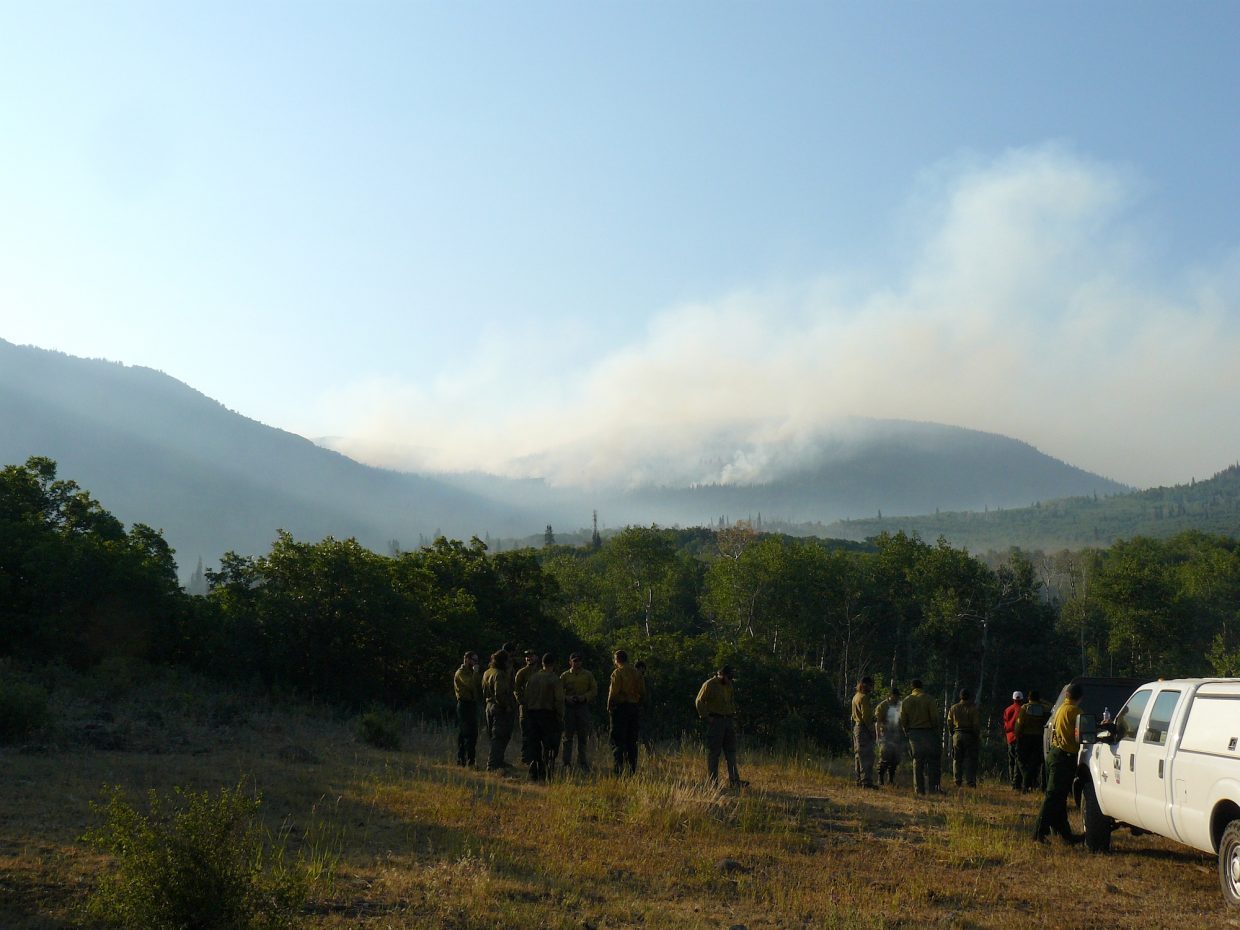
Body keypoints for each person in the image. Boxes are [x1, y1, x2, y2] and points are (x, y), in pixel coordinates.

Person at [1034, 681, 1084, 845]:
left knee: (1059, 798)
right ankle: (1038, 833)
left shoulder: (1060, 708)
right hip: (1064, 757)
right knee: (1053, 796)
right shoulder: (1076, 712)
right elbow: (1082, 734)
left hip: (1054, 754)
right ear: (1080, 698)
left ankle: (1065, 835)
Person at [695, 665, 745, 788]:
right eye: (729, 677)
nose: (731, 680)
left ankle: (735, 781)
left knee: (731, 752)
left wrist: (733, 717)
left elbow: (731, 701)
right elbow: (699, 701)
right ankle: (713, 783)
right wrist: (706, 717)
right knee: (714, 753)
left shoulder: (729, 685)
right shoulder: (709, 684)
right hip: (716, 721)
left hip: (728, 721)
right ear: (722, 674)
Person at [523, 653, 566, 781]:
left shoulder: (532, 678)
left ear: (542, 663)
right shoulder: (554, 679)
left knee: (534, 744)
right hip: (548, 715)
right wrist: (560, 715)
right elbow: (559, 700)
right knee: (550, 746)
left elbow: (526, 696)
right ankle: (547, 773)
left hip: (532, 714)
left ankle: (534, 771)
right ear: (553, 664)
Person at [899, 679, 944, 795]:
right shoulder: (929, 699)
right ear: (922, 686)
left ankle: (919, 789)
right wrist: (935, 730)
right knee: (933, 761)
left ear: (912, 687)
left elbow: (903, 719)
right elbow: (934, 717)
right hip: (928, 732)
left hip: (914, 733)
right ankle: (934, 789)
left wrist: (907, 730)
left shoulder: (906, 700)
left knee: (917, 762)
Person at [607, 649, 645, 775]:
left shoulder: (618, 673)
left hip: (621, 709)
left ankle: (618, 770)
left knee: (618, 739)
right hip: (634, 708)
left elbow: (613, 693)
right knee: (632, 741)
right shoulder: (637, 673)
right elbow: (642, 692)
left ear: (617, 660)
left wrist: (610, 706)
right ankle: (632, 770)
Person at [560, 652, 597, 771]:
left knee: (582, 736)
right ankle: (566, 763)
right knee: (568, 736)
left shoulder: (588, 675)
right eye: (575, 661)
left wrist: (585, 697)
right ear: (570, 662)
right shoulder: (565, 676)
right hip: (569, 708)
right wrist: (566, 698)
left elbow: (594, 689)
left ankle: (582, 762)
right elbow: (558, 691)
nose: (577, 663)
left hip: (582, 707)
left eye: (579, 661)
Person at [481, 650, 515, 771]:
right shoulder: (499, 674)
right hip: (499, 708)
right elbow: (499, 694)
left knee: (493, 736)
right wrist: (507, 706)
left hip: (488, 706)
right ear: (503, 661)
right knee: (500, 736)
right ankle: (493, 764)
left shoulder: (487, 672)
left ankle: (498, 761)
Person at [1014, 689, 1052, 792]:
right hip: (1039, 738)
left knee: (1021, 759)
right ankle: (1029, 783)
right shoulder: (1044, 708)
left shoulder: (1025, 708)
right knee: (1034, 762)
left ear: (1028, 698)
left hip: (1025, 737)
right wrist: (1042, 701)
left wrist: (1017, 735)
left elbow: (1019, 724)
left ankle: (1026, 781)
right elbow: (1052, 707)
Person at [453, 651, 482, 767]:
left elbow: (478, 686)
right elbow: (470, 684)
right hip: (464, 704)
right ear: (466, 659)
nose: (475, 663)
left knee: (471, 733)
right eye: (473, 660)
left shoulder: (471, 672)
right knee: (467, 733)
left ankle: (467, 759)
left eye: (476, 660)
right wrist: (475, 672)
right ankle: (466, 760)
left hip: (472, 704)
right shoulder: (461, 673)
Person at [947, 688, 981, 788]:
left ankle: (957, 781)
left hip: (957, 734)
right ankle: (970, 782)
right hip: (969, 735)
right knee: (970, 759)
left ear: (960, 696)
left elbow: (949, 723)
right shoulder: (973, 709)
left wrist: (952, 733)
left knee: (957, 759)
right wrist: (976, 736)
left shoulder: (954, 708)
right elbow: (976, 725)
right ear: (969, 697)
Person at [514, 649, 540, 768]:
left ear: (536, 657)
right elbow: (516, 689)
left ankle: (535, 758)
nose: (528, 658)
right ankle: (525, 759)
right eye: (527, 656)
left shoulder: (541, 672)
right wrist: (522, 702)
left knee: (537, 734)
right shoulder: (521, 672)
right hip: (525, 708)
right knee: (526, 734)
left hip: (539, 708)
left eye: (531, 656)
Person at [851, 676, 877, 788]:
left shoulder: (855, 697)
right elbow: (866, 716)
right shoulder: (864, 698)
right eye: (870, 685)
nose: (871, 688)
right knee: (867, 755)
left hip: (857, 727)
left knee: (859, 755)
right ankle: (866, 782)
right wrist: (872, 730)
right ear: (865, 685)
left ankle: (859, 780)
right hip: (863, 728)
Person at [874, 686, 902, 786]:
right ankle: (880, 778)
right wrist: (878, 736)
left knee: (895, 759)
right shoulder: (882, 706)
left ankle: (890, 779)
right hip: (885, 735)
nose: (896, 698)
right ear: (890, 695)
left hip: (896, 735)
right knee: (885, 758)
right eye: (895, 696)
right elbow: (877, 722)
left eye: (897, 696)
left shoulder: (899, 705)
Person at [1003, 691, 1025, 790]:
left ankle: (1013, 781)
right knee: (1019, 761)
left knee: (1011, 761)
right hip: (1020, 737)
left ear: (1013, 699)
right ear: (1021, 699)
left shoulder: (1007, 710)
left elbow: (1005, 725)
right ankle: (1017, 783)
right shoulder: (1023, 709)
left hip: (1010, 738)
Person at [635, 660, 656, 756]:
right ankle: (649, 753)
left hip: (640, 709)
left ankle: (650, 753)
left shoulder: (643, 680)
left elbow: (647, 696)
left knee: (644, 733)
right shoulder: (640, 679)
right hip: (638, 709)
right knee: (643, 733)